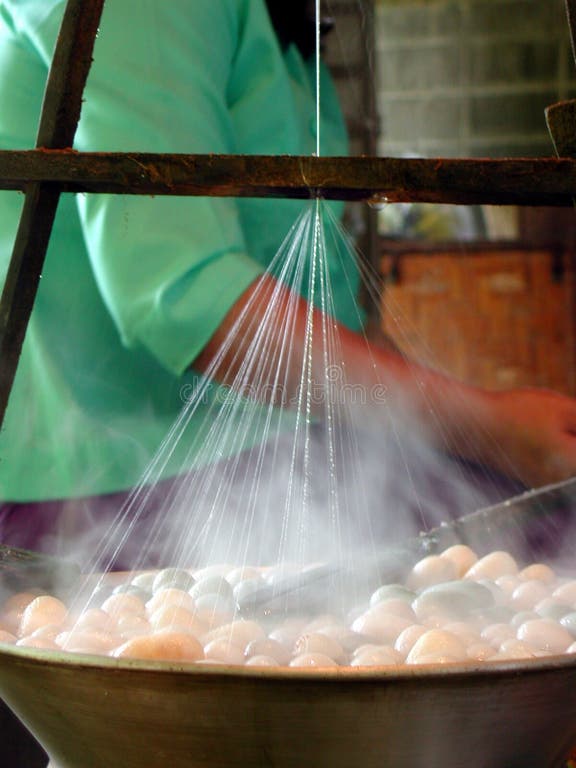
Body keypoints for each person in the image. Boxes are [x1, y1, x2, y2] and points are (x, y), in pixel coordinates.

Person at [0, 0, 576, 763]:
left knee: (524, 529)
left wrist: (485, 425)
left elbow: (320, 311)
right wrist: (491, 426)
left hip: (248, 451)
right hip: (118, 492)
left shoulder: (287, 31)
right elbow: (184, 295)